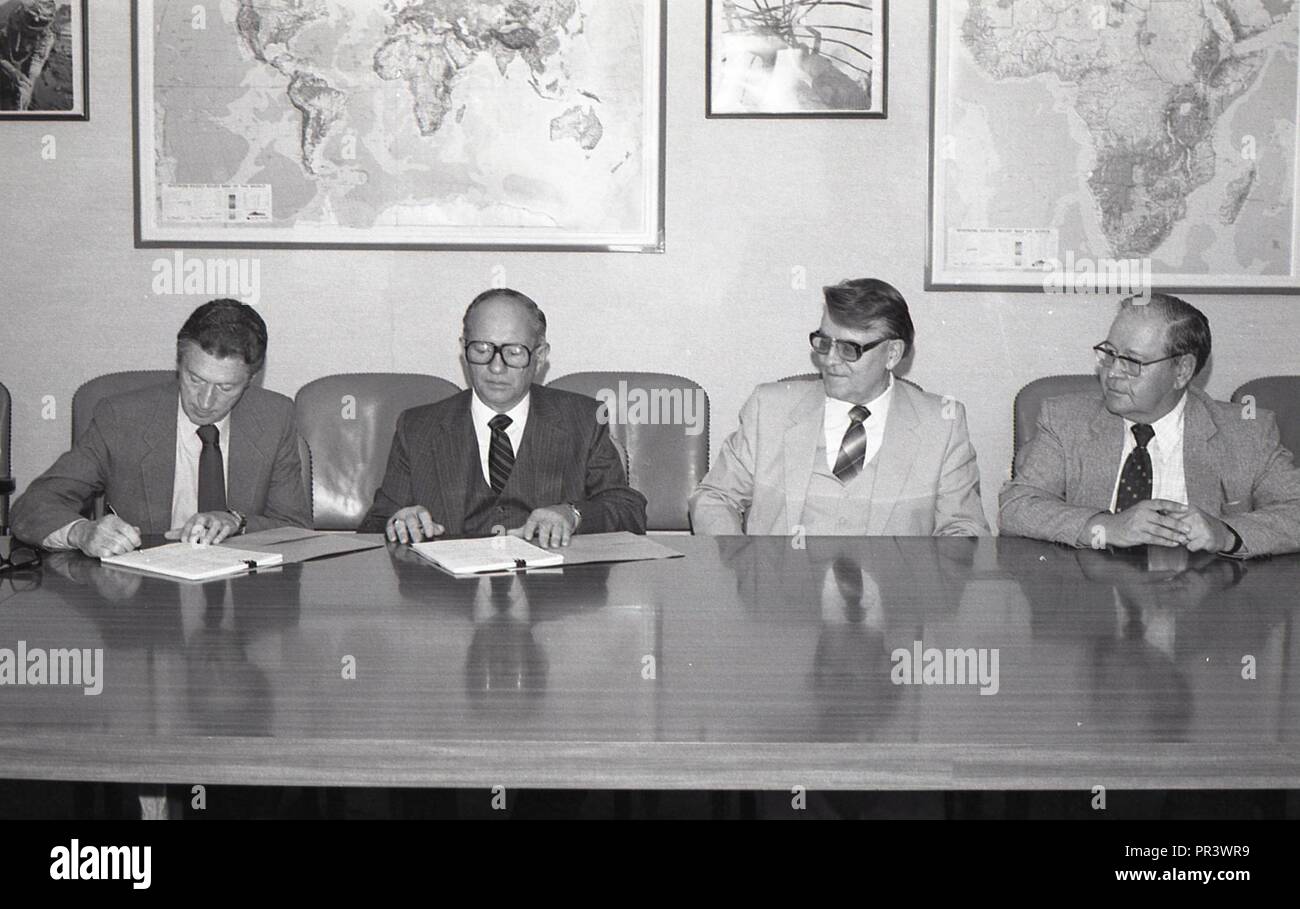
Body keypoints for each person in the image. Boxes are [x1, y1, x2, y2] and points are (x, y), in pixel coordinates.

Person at [1000, 293, 1300, 557]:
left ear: (1182, 370)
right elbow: (1016, 508)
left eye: (1132, 362)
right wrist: (1104, 526)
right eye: (1109, 353)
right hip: (1093, 604)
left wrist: (1227, 534)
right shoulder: (1066, 420)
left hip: (1205, 606)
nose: (1113, 373)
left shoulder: (1247, 434)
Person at [689, 277, 988, 536]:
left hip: (892, 598)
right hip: (779, 594)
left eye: (848, 348)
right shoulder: (768, 409)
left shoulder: (942, 424)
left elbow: (963, 529)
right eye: (823, 342)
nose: (829, 360)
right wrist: (741, 564)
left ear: (892, 354)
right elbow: (715, 498)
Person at [10, 299, 310, 555]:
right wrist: (82, 532)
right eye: (195, 379)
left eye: (226, 387)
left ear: (251, 380)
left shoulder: (274, 416)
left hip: (244, 598)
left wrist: (237, 521)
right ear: (178, 363)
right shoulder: (121, 417)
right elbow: (31, 507)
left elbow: (295, 528)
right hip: (140, 594)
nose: (205, 401)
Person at [359, 288, 647, 545]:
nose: (496, 367)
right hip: (449, 597)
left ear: (540, 355)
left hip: (551, 595)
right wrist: (398, 522)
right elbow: (375, 525)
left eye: (513, 352)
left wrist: (573, 514)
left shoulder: (582, 419)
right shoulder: (418, 427)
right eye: (482, 349)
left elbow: (628, 510)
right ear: (464, 349)